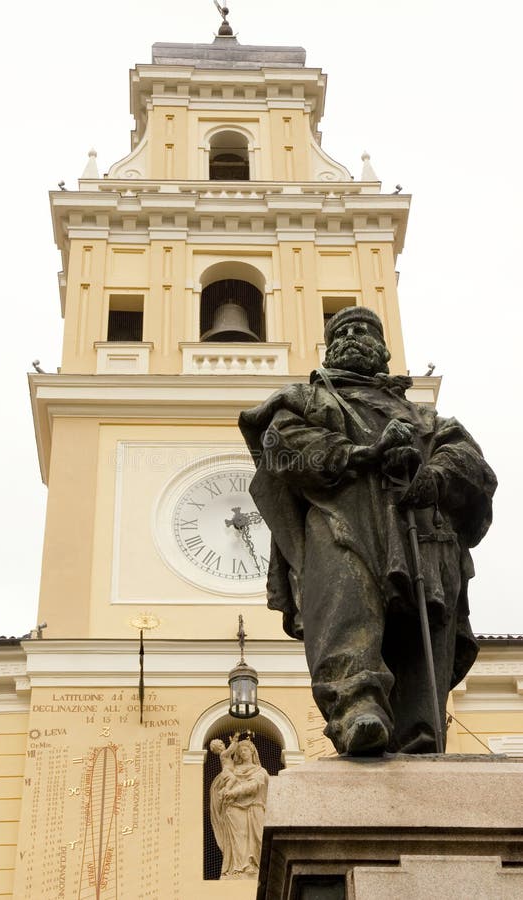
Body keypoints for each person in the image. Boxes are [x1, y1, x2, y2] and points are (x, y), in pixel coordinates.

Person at [239, 306, 496, 756]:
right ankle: (357, 706)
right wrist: (364, 454)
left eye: (366, 329)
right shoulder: (306, 399)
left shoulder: (426, 420)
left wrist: (431, 475)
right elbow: (282, 447)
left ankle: (421, 727)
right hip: (344, 519)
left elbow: (472, 464)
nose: (356, 334)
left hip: (420, 530)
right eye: (346, 329)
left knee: (424, 623)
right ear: (330, 346)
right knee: (345, 607)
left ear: (384, 349)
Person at [209, 735, 269, 879]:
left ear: (252, 751)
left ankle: (257, 867)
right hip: (233, 807)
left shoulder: (260, 771)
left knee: (258, 836)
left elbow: (254, 786)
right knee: (238, 837)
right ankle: (239, 867)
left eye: (246, 750)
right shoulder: (233, 770)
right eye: (240, 750)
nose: (243, 752)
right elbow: (223, 782)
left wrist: (234, 792)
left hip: (255, 807)